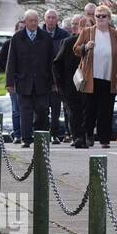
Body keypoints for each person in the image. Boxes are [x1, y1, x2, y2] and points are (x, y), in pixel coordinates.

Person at [74, 8, 117, 148]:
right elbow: (76, 49)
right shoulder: (87, 32)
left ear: (109, 18)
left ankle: (104, 139)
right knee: (90, 109)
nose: (100, 18)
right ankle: (88, 135)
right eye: (98, 16)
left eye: (104, 16)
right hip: (91, 78)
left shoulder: (115, 34)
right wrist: (85, 47)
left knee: (106, 110)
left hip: (109, 77)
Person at [6, 10, 54, 147]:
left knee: (42, 110)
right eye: (31, 21)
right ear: (25, 22)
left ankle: (40, 137)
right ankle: (26, 139)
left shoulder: (45, 37)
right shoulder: (17, 38)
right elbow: (11, 61)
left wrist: (53, 82)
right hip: (23, 82)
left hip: (42, 82)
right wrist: (9, 82)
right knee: (25, 112)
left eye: (35, 21)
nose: (33, 23)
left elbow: (51, 61)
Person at [52, 14, 86, 147]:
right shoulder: (68, 43)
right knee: (74, 111)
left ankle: (86, 136)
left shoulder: (95, 43)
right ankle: (77, 136)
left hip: (90, 83)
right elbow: (57, 64)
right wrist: (60, 85)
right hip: (71, 85)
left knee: (86, 111)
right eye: (77, 25)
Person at [41, 10, 70, 140]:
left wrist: (57, 81)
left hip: (58, 79)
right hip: (41, 79)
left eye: (53, 17)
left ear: (57, 20)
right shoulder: (39, 34)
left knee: (56, 110)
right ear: (45, 19)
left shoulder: (64, 35)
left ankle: (54, 134)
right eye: (49, 17)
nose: (51, 20)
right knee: (42, 110)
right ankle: (42, 134)